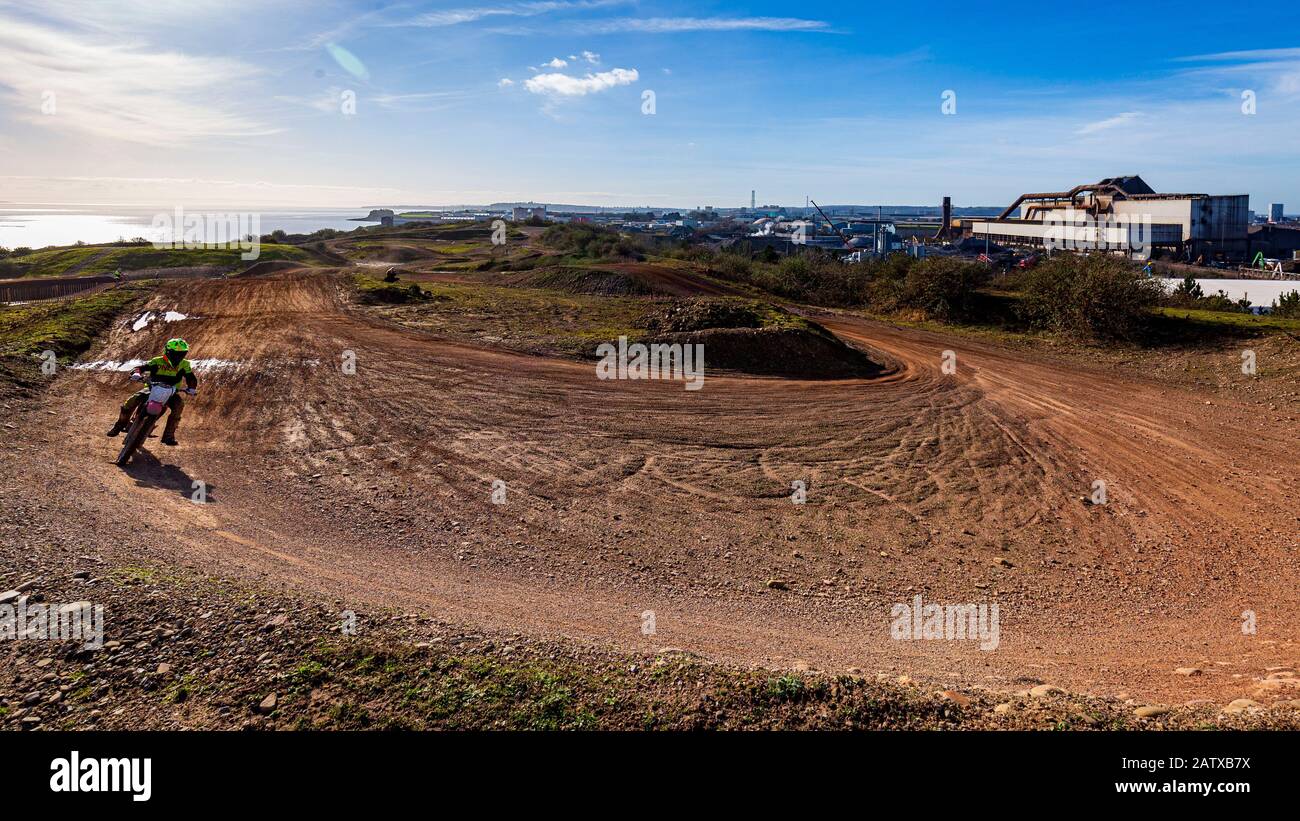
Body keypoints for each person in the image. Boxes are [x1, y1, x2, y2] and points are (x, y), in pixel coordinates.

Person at [105, 338, 198, 446]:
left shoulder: (184, 364)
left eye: (181, 354)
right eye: (176, 353)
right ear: (168, 351)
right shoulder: (157, 361)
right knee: (131, 401)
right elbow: (142, 368)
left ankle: (168, 436)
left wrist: (191, 388)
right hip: (151, 388)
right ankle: (119, 425)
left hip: (171, 392)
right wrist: (136, 374)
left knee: (179, 406)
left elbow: (190, 377)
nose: (178, 356)